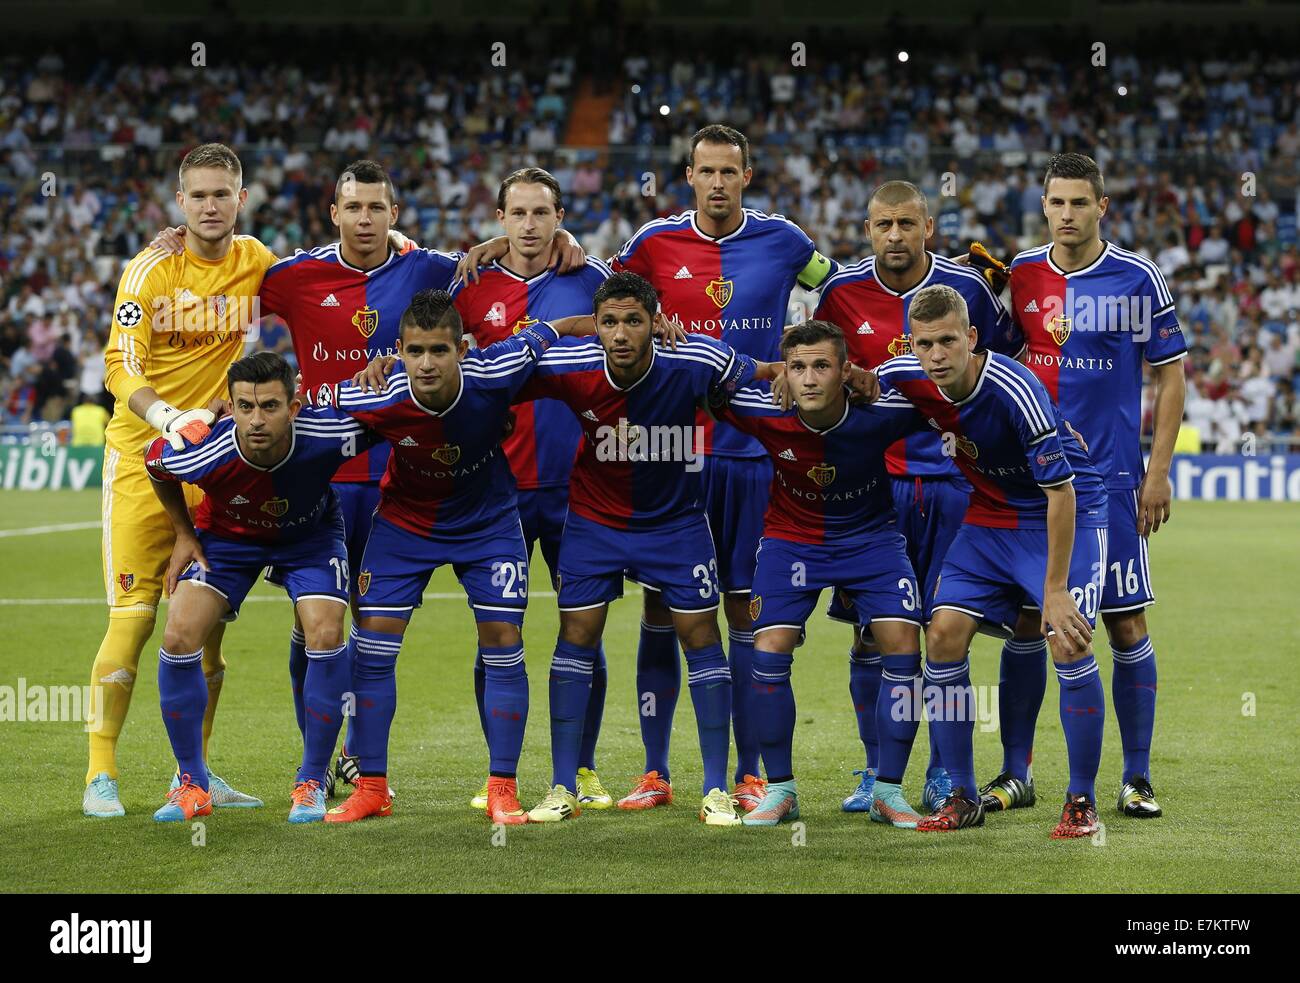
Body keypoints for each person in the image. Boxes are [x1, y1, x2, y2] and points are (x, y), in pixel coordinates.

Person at [611, 124, 839, 812]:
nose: (716, 183)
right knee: (661, 605)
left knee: (744, 607)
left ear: (747, 176)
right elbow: (605, 296)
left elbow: (842, 288)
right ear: (688, 176)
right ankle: (655, 769)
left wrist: (804, 360)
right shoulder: (652, 244)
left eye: (728, 172)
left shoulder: (786, 241)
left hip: (750, 455)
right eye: (705, 171)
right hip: (671, 449)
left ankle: (748, 770)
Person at [329, 290, 602, 826]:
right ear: (399, 351)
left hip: (489, 522)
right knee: (373, 650)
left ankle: (503, 787)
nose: (426, 363)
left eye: (438, 350)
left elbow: (551, 329)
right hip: (406, 523)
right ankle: (373, 787)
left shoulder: (497, 369)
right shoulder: (373, 394)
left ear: (464, 349)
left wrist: (601, 323)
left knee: (502, 640)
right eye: (414, 351)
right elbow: (304, 422)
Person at [515, 272, 778, 826]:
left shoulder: (697, 360)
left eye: (633, 320)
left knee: (701, 637)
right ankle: (563, 785)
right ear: (597, 326)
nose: (620, 333)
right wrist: (557, 327)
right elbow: (497, 374)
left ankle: (714, 788)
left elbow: (762, 372)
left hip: (676, 525)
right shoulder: (572, 365)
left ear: (656, 324)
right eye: (609, 322)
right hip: (593, 523)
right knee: (576, 637)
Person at [812, 179, 1023, 814]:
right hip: (873, 489)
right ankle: (877, 770)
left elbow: (1009, 368)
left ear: (927, 227)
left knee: (943, 633)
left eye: (907, 223)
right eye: (884, 225)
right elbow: (817, 373)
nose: (895, 236)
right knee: (871, 635)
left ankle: (941, 771)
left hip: (961, 485)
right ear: (868, 229)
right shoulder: (840, 292)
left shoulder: (970, 288)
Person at [875, 284, 1110, 838]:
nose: (936, 355)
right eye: (925, 343)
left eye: (948, 341)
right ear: (911, 343)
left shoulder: (1014, 387)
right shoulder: (907, 377)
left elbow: (1062, 494)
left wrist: (1054, 591)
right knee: (943, 635)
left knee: (1068, 638)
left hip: (1063, 512)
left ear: (972, 338)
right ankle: (960, 792)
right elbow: (856, 382)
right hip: (990, 517)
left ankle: (1082, 800)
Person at [84, 143, 272, 818]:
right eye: (198, 194)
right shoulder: (149, 271)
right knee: (133, 619)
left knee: (207, 627)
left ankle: (190, 773)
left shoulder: (256, 261)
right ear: (179, 202)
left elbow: (318, 284)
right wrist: (169, 418)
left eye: (222, 193)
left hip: (214, 474)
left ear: (240, 199)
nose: (211, 204)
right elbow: (120, 364)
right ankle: (99, 771)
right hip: (143, 463)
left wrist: (393, 235)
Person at [1006, 153, 1186, 819]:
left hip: (1109, 484)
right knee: (1031, 619)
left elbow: (1171, 375)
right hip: (1031, 481)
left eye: (1081, 203)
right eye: (1057, 203)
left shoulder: (1137, 278)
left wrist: (1157, 471)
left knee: (1124, 622)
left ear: (1102, 206)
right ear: (1044, 205)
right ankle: (1014, 773)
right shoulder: (1022, 274)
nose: (1068, 215)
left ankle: (1135, 777)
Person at [714, 321, 930, 827]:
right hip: (793, 542)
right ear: (784, 374)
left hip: (871, 540)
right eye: (798, 368)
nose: (809, 379)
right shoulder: (762, 409)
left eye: (822, 366)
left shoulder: (883, 413)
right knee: (766, 651)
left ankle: (889, 791)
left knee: (903, 647)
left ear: (843, 372)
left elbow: (944, 395)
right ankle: (781, 789)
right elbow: (701, 384)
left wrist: (876, 375)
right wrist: (759, 369)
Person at [144, 352, 376, 823]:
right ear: (229, 406)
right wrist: (184, 533)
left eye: (270, 406)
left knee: (326, 633)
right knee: (178, 635)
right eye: (245, 406)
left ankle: (311, 781)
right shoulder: (205, 447)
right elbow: (155, 464)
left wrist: (390, 367)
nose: (256, 419)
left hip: (310, 538)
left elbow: (398, 417)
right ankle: (192, 784)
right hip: (227, 541)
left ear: (294, 406)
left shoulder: (329, 431)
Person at [450, 166, 615, 811]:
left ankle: (585, 770)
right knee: (497, 629)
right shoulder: (469, 285)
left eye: (541, 213)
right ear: (500, 219)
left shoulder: (590, 279)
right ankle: (500, 775)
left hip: (580, 484)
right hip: (498, 487)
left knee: (583, 628)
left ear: (559, 217)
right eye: (517, 214)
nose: (528, 225)